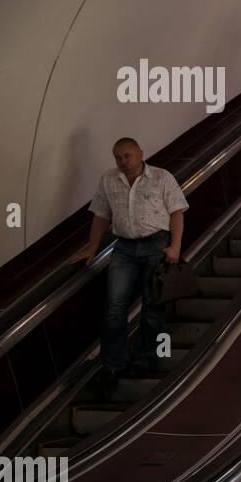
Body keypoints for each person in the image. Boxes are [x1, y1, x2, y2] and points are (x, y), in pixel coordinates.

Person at [76, 138, 188, 393]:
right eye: (117, 157)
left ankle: (144, 360)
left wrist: (175, 247)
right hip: (123, 248)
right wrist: (92, 248)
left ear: (140, 154)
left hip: (156, 246)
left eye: (127, 156)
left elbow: (177, 212)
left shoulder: (161, 177)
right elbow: (101, 215)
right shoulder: (108, 180)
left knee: (152, 306)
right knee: (114, 307)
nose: (122, 162)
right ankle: (114, 364)